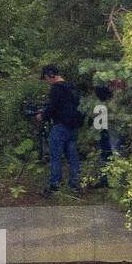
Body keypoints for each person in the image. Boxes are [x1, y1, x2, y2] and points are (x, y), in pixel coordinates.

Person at [36, 64, 82, 193]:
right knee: (72, 156)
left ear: (50, 76)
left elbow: (52, 107)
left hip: (60, 126)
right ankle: (75, 184)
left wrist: (42, 116)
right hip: (73, 126)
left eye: (46, 78)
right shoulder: (72, 87)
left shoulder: (56, 89)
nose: (47, 81)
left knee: (55, 156)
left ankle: (55, 185)